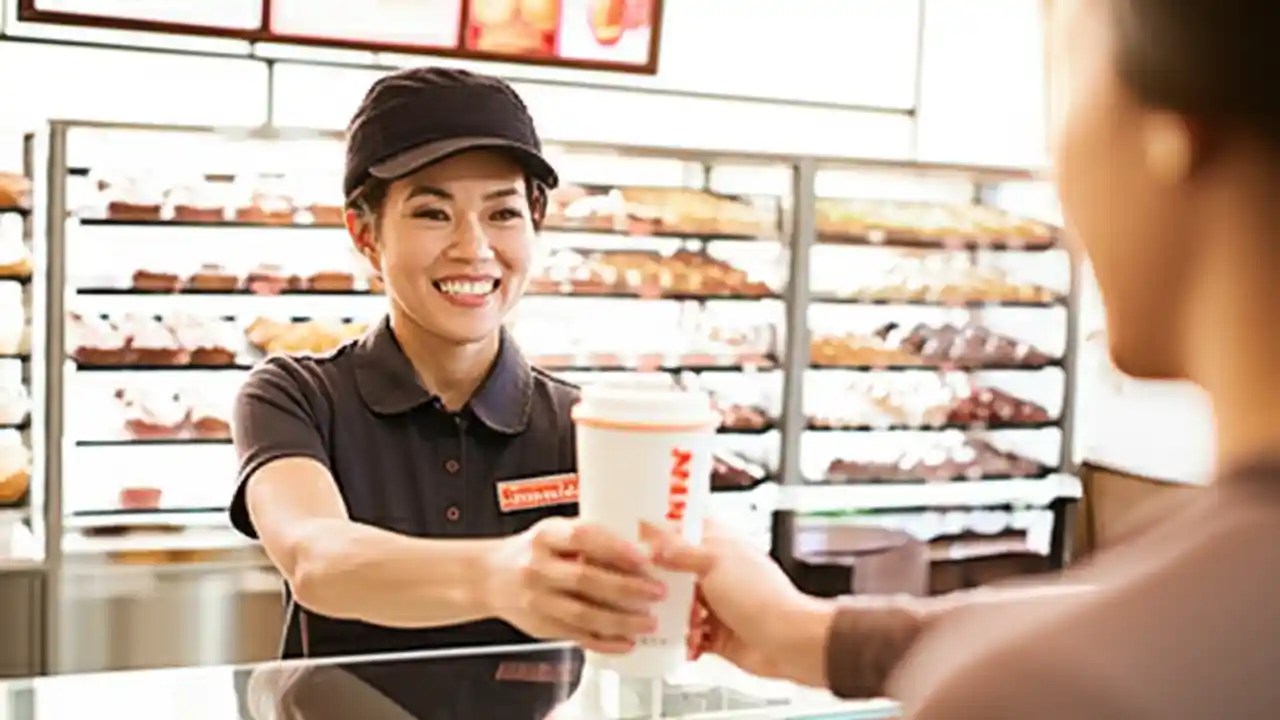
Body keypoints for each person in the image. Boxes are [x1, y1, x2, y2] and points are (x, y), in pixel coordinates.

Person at [656, 0, 1280, 717]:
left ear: (1170, 122)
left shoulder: (1048, 694)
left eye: (1063, 65)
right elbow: (1185, 621)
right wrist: (814, 634)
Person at [229, 66, 667, 660]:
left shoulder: (581, 424)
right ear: (365, 234)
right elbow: (317, 559)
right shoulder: (296, 396)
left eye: (503, 214)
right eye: (433, 213)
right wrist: (506, 574)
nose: (474, 247)